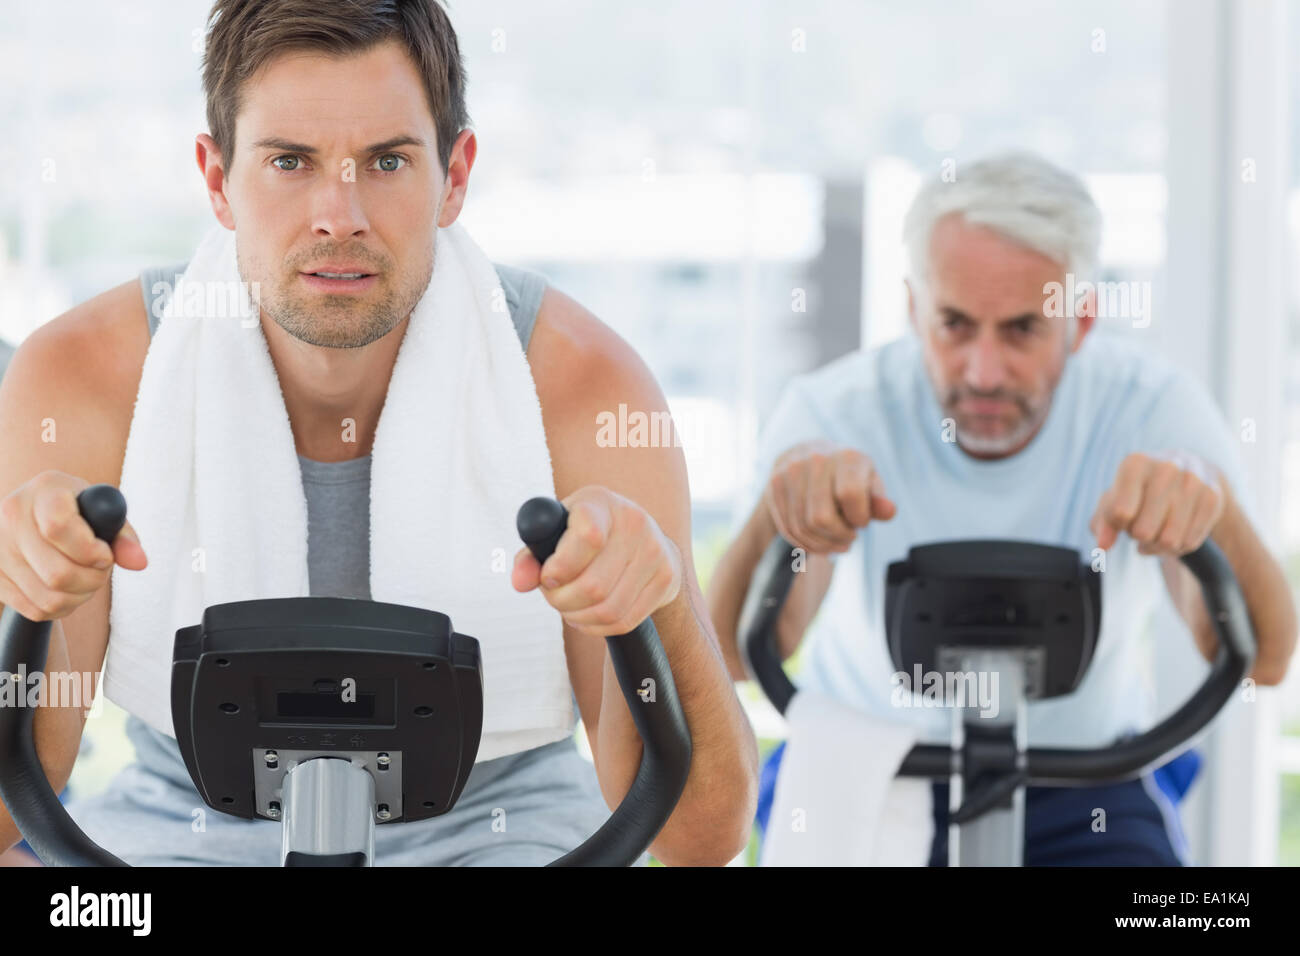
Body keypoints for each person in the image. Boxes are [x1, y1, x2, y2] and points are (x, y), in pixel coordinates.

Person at [0, 0, 756, 867]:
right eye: (290, 161)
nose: (339, 216)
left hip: (499, 830)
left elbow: (700, 841)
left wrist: (655, 604)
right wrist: (17, 601)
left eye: (387, 161)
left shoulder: (588, 389)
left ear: (455, 174)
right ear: (216, 180)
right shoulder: (82, 377)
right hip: (183, 821)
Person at [707, 152, 1297, 866]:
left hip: (1082, 780)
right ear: (914, 309)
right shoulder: (832, 414)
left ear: (1081, 322)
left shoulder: (1151, 409)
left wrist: (1214, 512)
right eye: (955, 325)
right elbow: (735, 655)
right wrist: (781, 515)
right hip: (874, 771)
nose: (984, 373)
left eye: (1021, 330)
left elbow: (1261, 658)